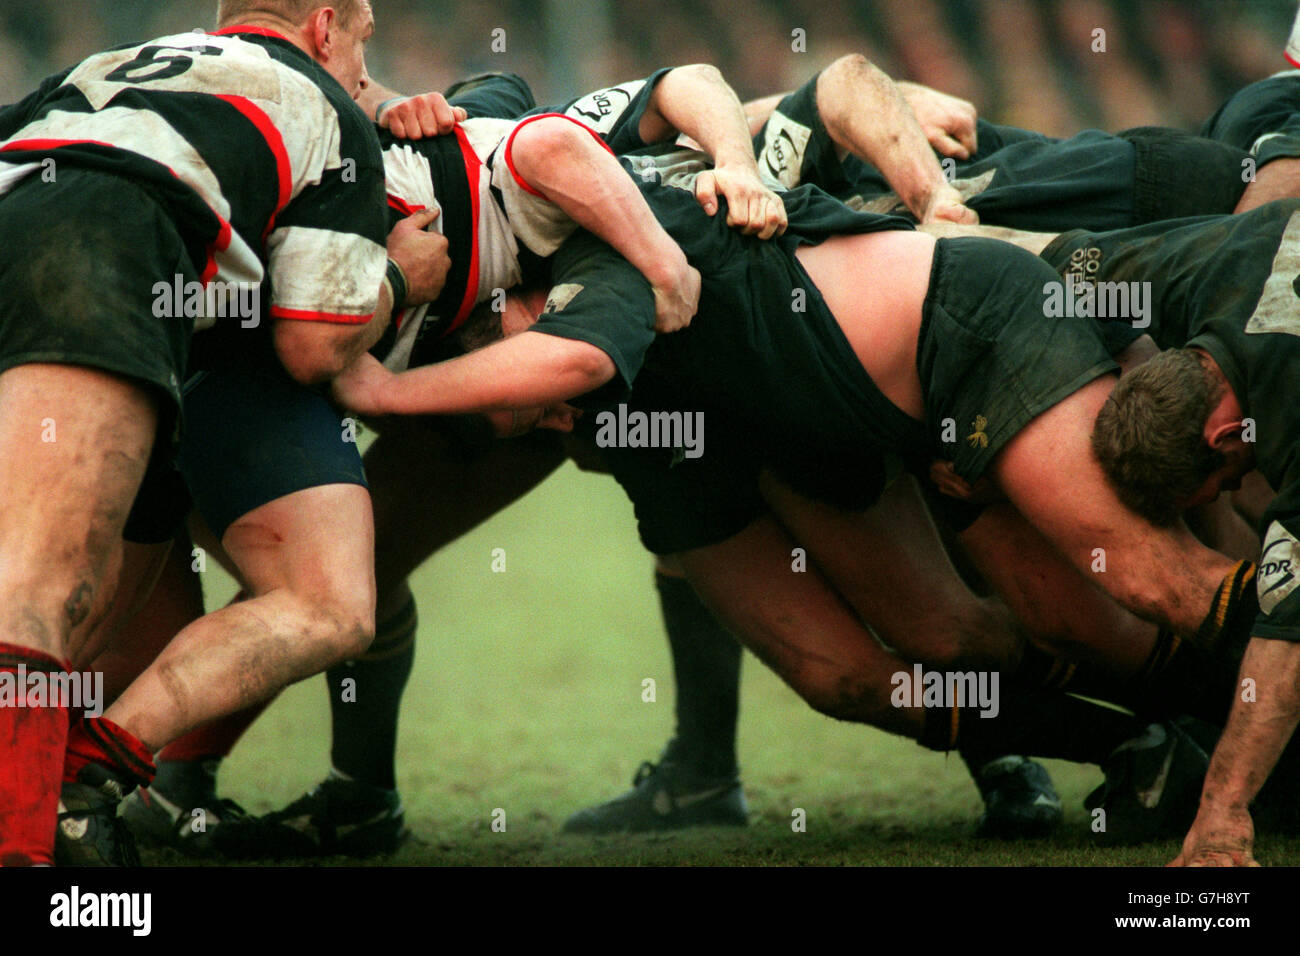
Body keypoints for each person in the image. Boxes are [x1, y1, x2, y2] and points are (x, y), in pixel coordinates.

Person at [0, 0, 454, 867]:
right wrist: (399, 273)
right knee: (39, 592)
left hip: (45, 231)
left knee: (80, 602)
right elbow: (315, 341)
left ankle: (70, 785)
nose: (367, 69)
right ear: (326, 26)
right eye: (364, 40)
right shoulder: (322, 103)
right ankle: (26, 845)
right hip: (103, 249)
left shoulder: (114, 60)